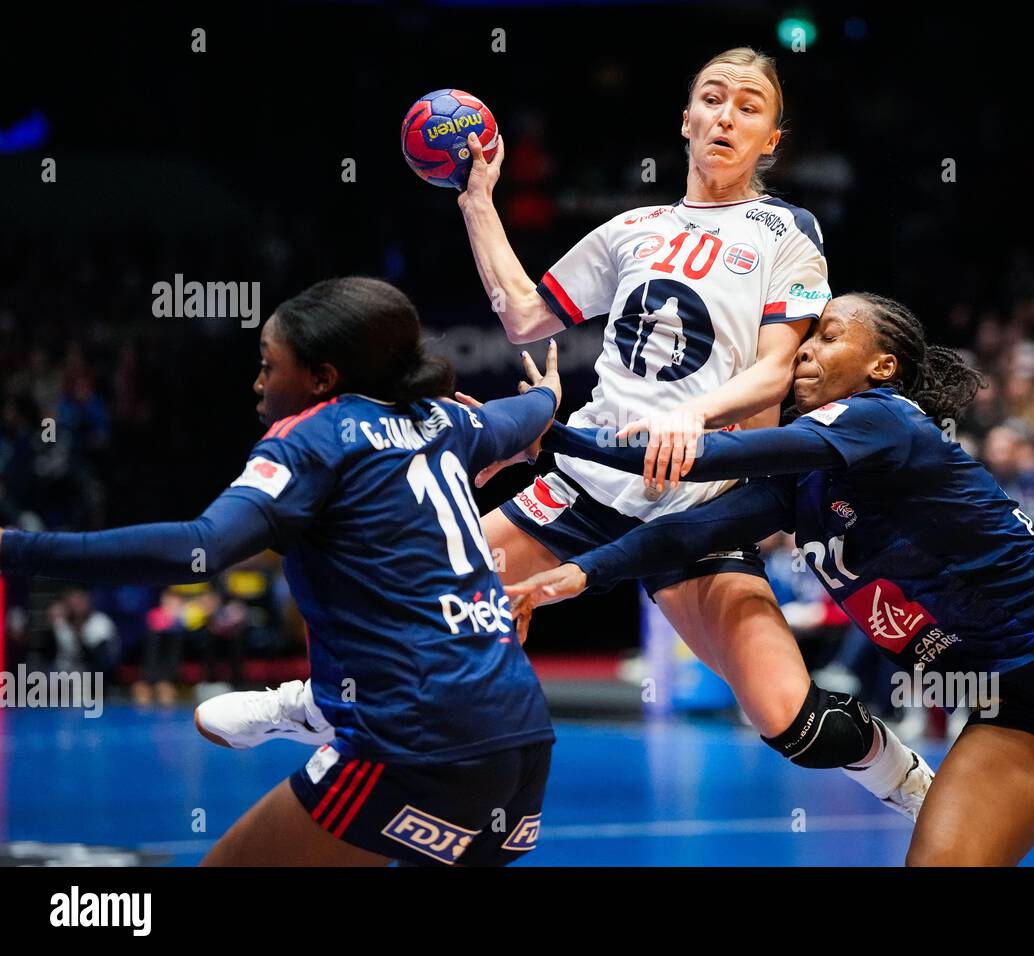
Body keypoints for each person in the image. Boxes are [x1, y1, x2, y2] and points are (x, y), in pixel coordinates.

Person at [201, 47, 934, 819]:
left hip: (699, 501)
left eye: (749, 107)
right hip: (590, 477)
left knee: (788, 715)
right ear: (685, 120)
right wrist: (476, 199)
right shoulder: (633, 227)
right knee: (408, 580)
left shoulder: (786, 227)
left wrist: (695, 413)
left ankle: (909, 779)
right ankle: (312, 703)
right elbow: (524, 315)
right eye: (712, 99)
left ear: (772, 140)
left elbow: (777, 371)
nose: (726, 115)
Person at [509, 292, 1034, 866]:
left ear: (881, 364)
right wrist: (578, 571)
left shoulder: (885, 420)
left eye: (828, 337)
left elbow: (704, 456)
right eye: (802, 341)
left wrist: (556, 435)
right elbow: (687, 533)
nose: (805, 349)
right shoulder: (802, 483)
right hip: (1011, 696)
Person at [0, 277, 559, 866]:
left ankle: (322, 704)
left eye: (269, 366)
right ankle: (324, 702)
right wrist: (547, 397)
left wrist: (19, 550)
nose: (258, 383)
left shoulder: (314, 438)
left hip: (415, 741)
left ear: (323, 379)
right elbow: (519, 415)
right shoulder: (447, 421)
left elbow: (199, 547)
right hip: (521, 741)